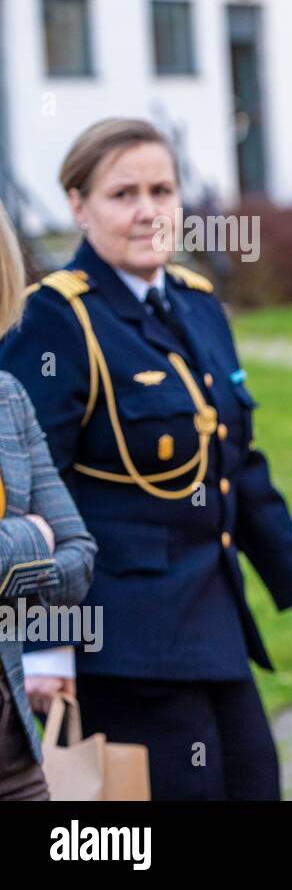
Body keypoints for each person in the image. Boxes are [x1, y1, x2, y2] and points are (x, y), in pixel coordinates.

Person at [0, 118, 292, 800]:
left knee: (255, 783)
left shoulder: (195, 303)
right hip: (121, 644)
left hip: (212, 623)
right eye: (122, 193)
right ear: (78, 205)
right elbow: (29, 491)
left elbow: (237, 465)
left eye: (162, 189)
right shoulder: (56, 319)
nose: (148, 210)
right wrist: (45, 643)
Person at [0, 204, 96, 800]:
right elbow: (54, 543)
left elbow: (81, 559)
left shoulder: (7, 397)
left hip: (14, 754)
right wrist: (33, 538)